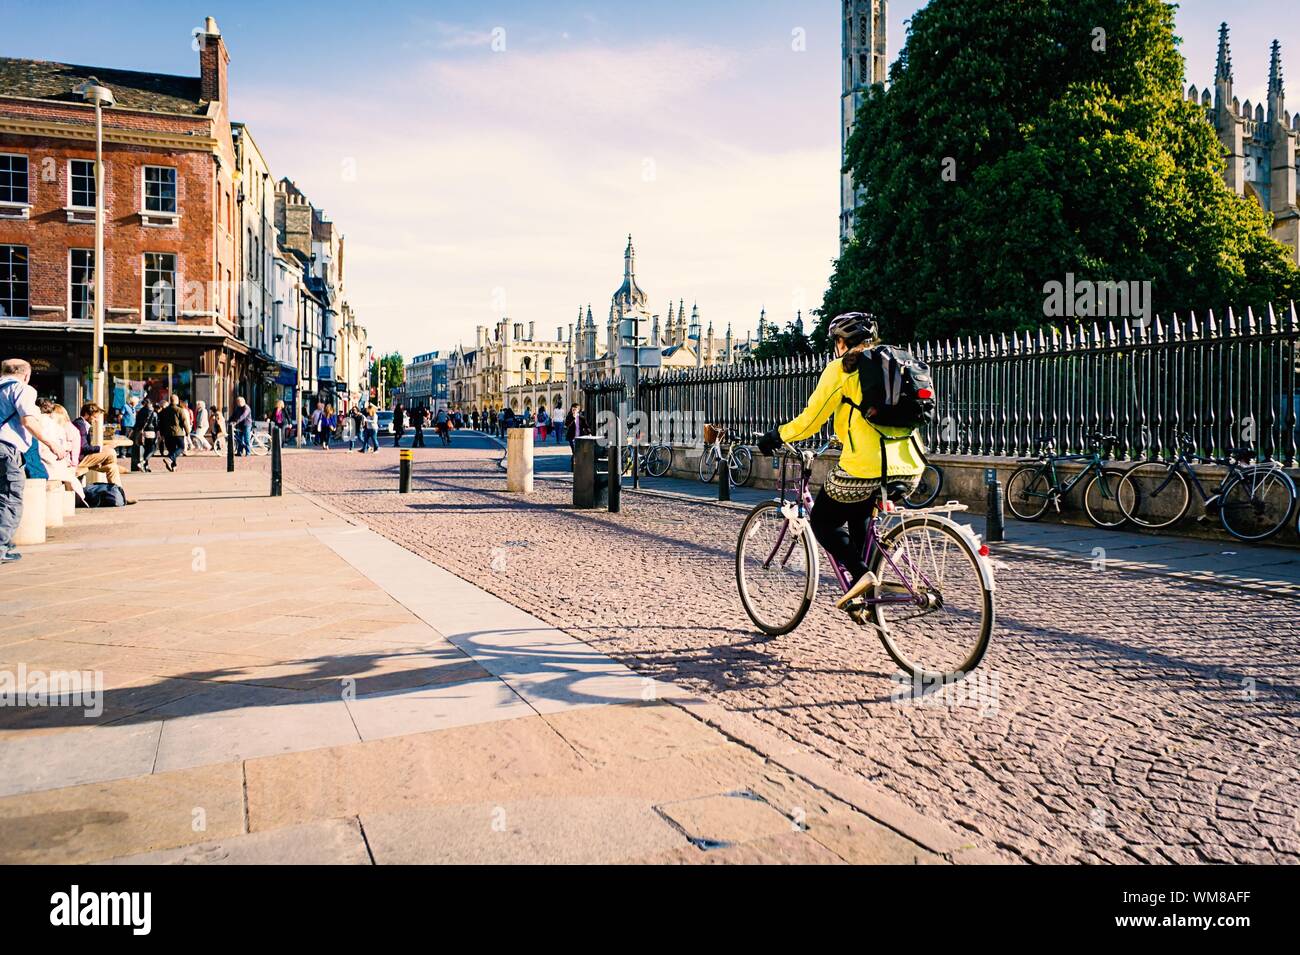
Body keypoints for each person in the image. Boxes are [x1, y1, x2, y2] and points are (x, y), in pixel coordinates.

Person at [756, 312, 925, 613]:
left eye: (836, 341)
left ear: (841, 342)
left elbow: (810, 420)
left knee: (822, 521)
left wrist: (777, 435)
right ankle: (866, 601)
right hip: (909, 463)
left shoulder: (843, 369)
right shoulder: (891, 364)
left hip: (867, 465)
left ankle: (863, 575)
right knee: (859, 515)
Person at [1, 359, 68, 564]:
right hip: (6, 447)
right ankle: (2, 546)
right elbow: (27, 420)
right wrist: (51, 444)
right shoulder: (23, 390)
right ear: (26, 375)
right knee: (10, 496)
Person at [157, 395, 187, 470]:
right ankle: (169, 459)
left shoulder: (164, 411)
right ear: (177, 401)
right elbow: (184, 422)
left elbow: (161, 423)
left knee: (172, 450)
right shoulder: (179, 410)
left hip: (167, 433)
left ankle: (173, 466)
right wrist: (188, 432)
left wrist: (162, 434)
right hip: (178, 432)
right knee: (181, 447)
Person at [135, 399, 160, 471]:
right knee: (153, 448)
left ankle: (146, 466)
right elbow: (156, 424)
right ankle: (143, 462)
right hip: (151, 432)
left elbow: (137, 422)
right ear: (150, 404)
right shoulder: (153, 412)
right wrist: (158, 432)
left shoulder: (140, 411)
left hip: (142, 432)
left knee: (146, 449)